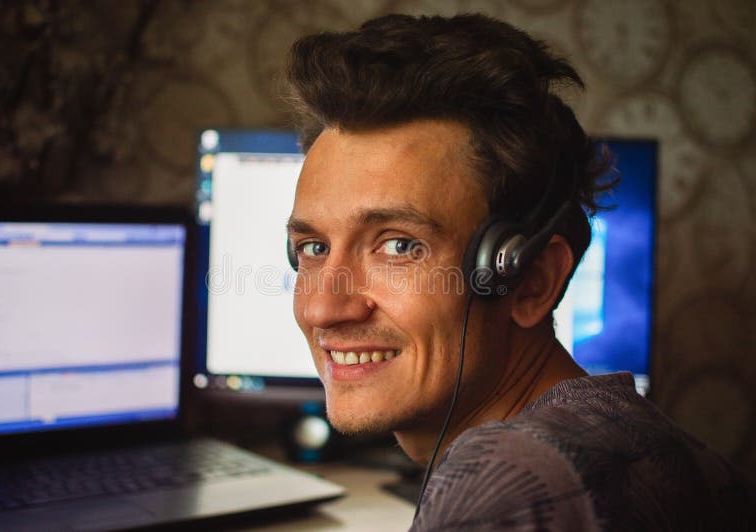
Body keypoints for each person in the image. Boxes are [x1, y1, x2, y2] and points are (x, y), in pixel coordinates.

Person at [284, 13, 755, 531]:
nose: (324, 307)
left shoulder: (515, 490)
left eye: (399, 245)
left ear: (530, 279)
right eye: (313, 247)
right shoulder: (618, 445)